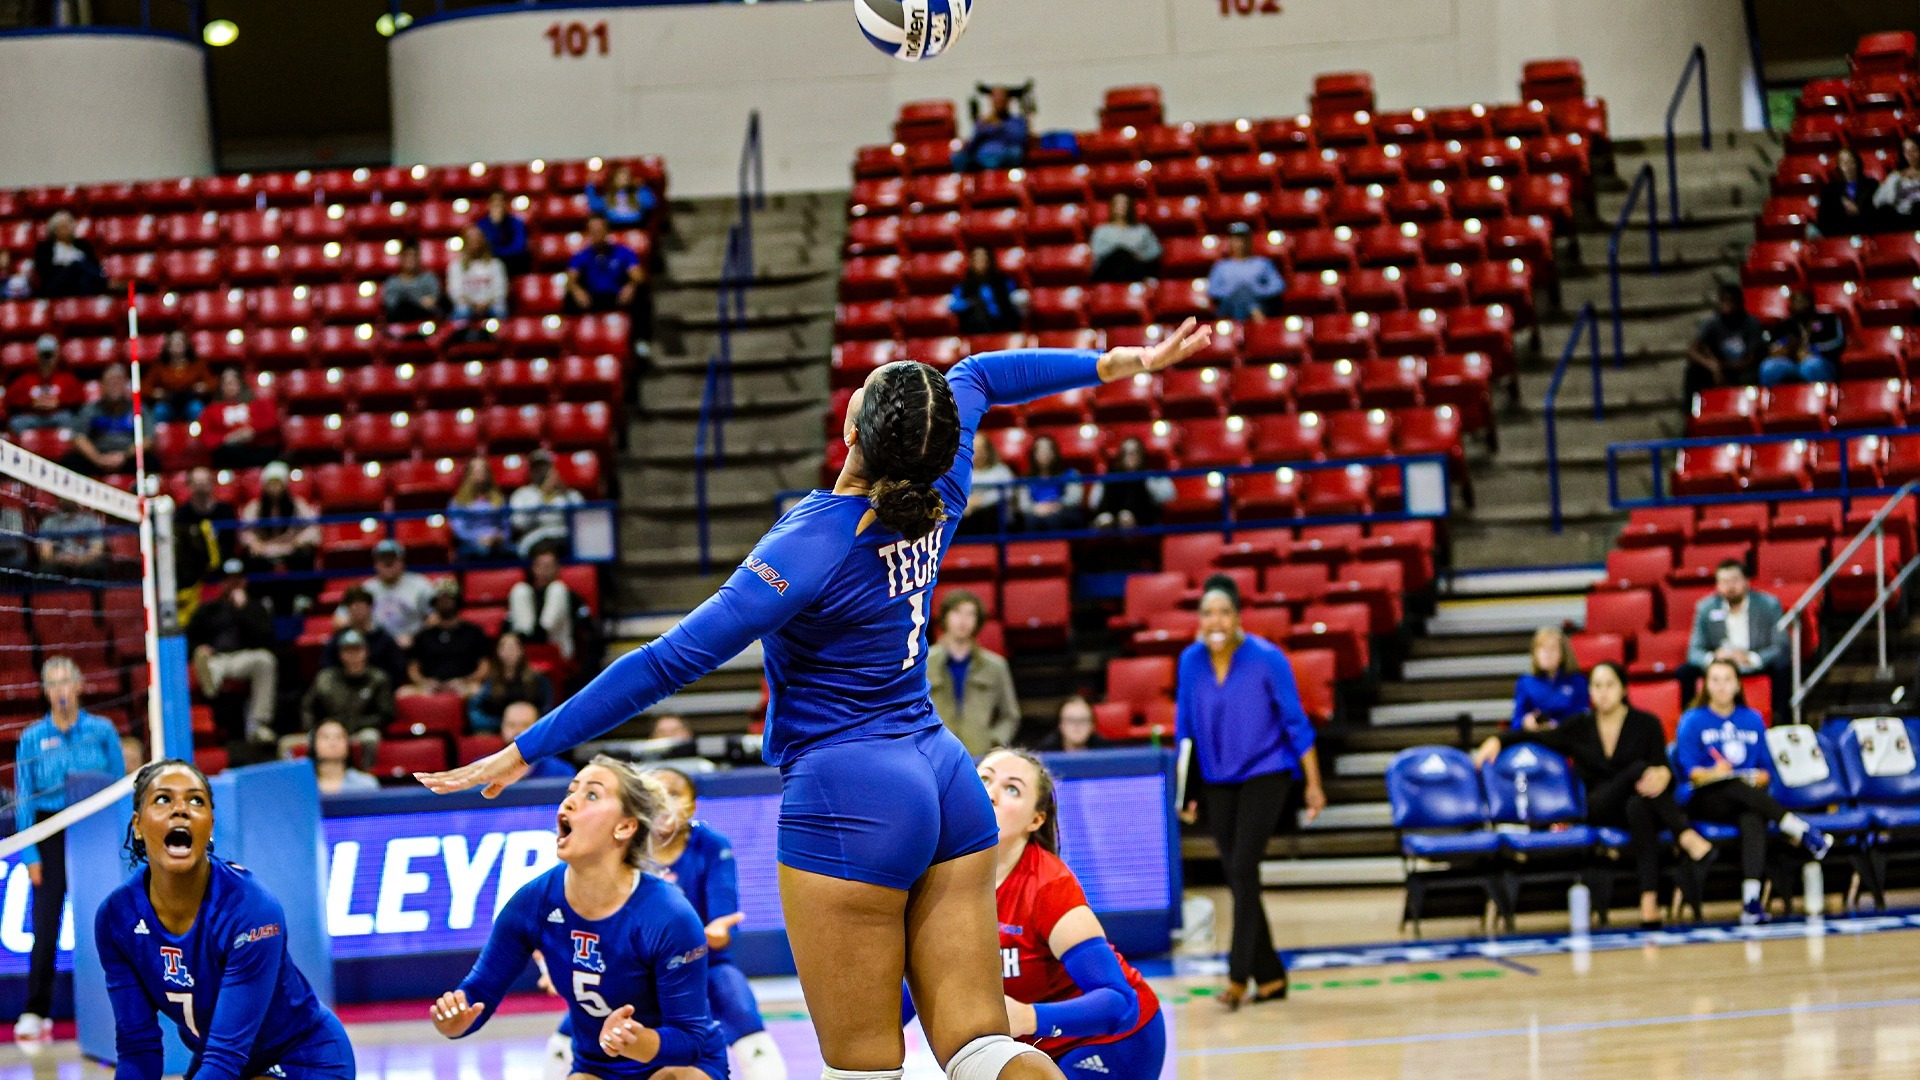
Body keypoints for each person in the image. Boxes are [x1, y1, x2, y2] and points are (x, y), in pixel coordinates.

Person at [419, 321, 1215, 1080]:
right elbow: (978, 377)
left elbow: (667, 661)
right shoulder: (941, 485)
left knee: (862, 1062)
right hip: (942, 772)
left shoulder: (812, 541)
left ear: (855, 431)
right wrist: (1122, 363)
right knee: (976, 1047)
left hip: (850, 790)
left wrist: (527, 746)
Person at [429, 758, 727, 1080]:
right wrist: (455, 1023)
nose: (570, 800)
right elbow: (477, 996)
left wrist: (636, 1042)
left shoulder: (668, 914)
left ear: (625, 826)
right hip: (596, 1068)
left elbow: (691, 1040)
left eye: (592, 795)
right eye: (571, 791)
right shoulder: (534, 902)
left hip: (678, 1064)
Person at [97, 760, 356, 1078]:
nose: (181, 809)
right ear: (137, 824)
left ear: (210, 825)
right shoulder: (116, 917)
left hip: (302, 1059)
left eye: (196, 801)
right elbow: (138, 1049)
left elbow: (224, 1059)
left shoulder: (251, 910)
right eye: (163, 799)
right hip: (223, 1063)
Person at [958, 750, 1165, 1074]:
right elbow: (916, 985)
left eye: (1012, 789)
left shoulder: (1047, 887)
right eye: (983, 779)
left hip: (1111, 1041)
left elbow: (1119, 1002)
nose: (991, 794)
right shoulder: (943, 876)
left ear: (1035, 820)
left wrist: (1028, 1017)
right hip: (1033, 1048)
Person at [1175, 573, 1324, 1009]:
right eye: (1207, 613)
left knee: (1242, 868)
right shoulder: (1190, 661)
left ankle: (1238, 978)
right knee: (1240, 876)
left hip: (1267, 771)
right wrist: (1187, 792)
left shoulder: (1267, 657)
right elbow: (1186, 728)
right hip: (1218, 778)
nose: (1215, 620)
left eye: (1223, 611)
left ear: (1238, 617)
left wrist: (1313, 783)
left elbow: (1296, 721)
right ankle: (1272, 976)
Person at [1474, 661, 1712, 928]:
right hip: (1601, 806)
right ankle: (1685, 834)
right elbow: (1538, 738)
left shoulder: (1646, 723)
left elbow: (1663, 770)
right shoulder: (1579, 726)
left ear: (1623, 688)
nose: (1603, 692)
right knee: (1638, 769)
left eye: (1609, 684)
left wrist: (1664, 776)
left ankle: (1649, 903)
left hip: (1638, 807)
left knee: (1638, 808)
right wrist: (1497, 740)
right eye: (1596, 686)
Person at [649, 768, 789, 1080]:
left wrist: (717, 933)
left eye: (673, 793)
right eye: (653, 795)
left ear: (693, 805)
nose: (664, 803)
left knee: (737, 1003)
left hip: (705, 961)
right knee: (575, 1031)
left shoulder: (711, 844)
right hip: (645, 972)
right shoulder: (624, 850)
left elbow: (723, 923)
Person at [11, 656, 124, 1043]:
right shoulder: (30, 737)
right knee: (45, 925)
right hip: (50, 830)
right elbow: (24, 798)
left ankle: (116, 1004)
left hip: (93, 829)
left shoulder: (102, 730)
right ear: (46, 691)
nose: (61, 690)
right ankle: (35, 1010)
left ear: (80, 686)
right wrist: (31, 855)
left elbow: (119, 787)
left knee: (107, 920)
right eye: (53, 684)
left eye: (67, 682)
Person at [1674, 659, 1833, 924]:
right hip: (1703, 799)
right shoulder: (1692, 720)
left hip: (1746, 798)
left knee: (1753, 816)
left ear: (1738, 684)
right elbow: (1691, 772)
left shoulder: (1752, 719)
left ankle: (1751, 901)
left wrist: (1759, 777)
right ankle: (1800, 830)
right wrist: (1716, 772)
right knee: (1735, 787)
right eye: (1715, 680)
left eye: (1727, 679)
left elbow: (1765, 769)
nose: (1721, 686)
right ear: (1705, 685)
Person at [187, 568, 280, 745]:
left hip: (242, 659)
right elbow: (189, 638)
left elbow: (265, 639)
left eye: (237, 581)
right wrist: (200, 647)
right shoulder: (208, 609)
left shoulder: (255, 608)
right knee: (204, 660)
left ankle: (258, 725)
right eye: (228, 581)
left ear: (244, 583)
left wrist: (244, 609)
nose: (232, 586)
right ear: (222, 584)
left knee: (265, 660)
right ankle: (211, 689)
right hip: (215, 659)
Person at [927, 589, 1022, 757]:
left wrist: (993, 741)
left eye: (970, 614)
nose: (963, 620)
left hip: (979, 756)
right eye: (957, 612)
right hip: (935, 754)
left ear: (977, 621)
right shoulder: (925, 663)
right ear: (945, 617)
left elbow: (1010, 715)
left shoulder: (995, 667)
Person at [1685, 559, 1788, 708]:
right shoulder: (1705, 608)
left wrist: (1750, 658)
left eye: (1734, 580)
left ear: (1747, 581)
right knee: (1686, 672)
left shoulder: (1769, 605)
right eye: (1724, 582)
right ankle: (1691, 719)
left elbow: (1780, 646)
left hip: (1755, 662)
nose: (1730, 587)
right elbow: (1694, 652)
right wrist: (1715, 659)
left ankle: (1781, 720)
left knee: (1782, 666)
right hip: (1721, 664)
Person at [294, 630, 393, 763]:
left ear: (366, 651)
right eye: (348, 651)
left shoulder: (378, 679)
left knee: (370, 738)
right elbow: (307, 706)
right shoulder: (325, 678)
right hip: (328, 730)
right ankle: (308, 779)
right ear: (341, 654)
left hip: (360, 730)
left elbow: (385, 714)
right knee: (286, 744)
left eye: (357, 650)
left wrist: (352, 725)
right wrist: (315, 729)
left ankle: (366, 778)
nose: (353, 656)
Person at [237, 461, 320, 605]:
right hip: (264, 551)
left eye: (278, 483)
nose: (274, 488)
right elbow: (244, 532)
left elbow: (314, 529)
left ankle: (302, 597)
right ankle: (262, 599)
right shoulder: (254, 507)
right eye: (271, 483)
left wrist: (299, 541)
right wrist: (255, 543)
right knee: (252, 561)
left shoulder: (297, 505)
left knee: (305, 557)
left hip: (291, 549)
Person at [566, 214, 650, 346]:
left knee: (641, 294)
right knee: (569, 298)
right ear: (587, 234)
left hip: (618, 297)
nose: (597, 235)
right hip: (592, 298)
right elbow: (570, 279)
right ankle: (574, 343)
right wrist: (577, 290)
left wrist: (631, 285)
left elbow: (638, 275)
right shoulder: (580, 256)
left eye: (600, 231)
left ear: (607, 232)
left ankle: (640, 342)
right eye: (593, 232)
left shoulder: (624, 252)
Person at [405, 579, 491, 698]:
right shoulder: (423, 635)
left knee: (477, 691)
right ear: (434, 603)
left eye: (449, 598)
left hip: (466, 685)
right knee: (402, 693)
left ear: (457, 600)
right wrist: (424, 682)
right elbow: (413, 668)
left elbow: (484, 667)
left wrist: (465, 681)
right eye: (440, 599)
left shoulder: (474, 632)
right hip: (429, 687)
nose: (444, 602)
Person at [1685, 284, 1767, 403]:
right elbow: (1692, 350)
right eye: (1724, 300)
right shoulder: (1712, 324)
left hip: (1743, 369)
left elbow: (1751, 359)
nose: (1727, 305)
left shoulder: (1752, 324)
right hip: (1718, 367)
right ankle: (1692, 412)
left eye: (1731, 301)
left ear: (1740, 303)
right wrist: (1713, 367)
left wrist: (1722, 367)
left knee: (1751, 376)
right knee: (1693, 372)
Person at [350, 540, 437, 648]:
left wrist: (414, 637)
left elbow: (436, 617)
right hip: (375, 647)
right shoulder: (366, 589)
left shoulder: (420, 585)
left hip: (413, 645)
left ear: (402, 561)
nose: (388, 564)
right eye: (383, 559)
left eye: (392, 559)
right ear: (375, 563)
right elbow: (341, 619)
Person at [66, 363, 146, 477]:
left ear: (125, 384)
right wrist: (98, 459)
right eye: (110, 382)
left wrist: (125, 456)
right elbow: (78, 437)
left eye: (118, 382)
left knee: (150, 461)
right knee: (71, 461)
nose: (114, 386)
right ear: (102, 385)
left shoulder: (138, 409)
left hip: (128, 458)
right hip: (96, 457)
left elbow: (148, 440)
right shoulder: (90, 409)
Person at [468, 630, 553, 734]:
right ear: (498, 652)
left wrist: (528, 723)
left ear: (521, 650)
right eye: (505, 648)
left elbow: (549, 709)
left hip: (531, 729)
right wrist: (504, 724)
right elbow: (475, 713)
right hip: (498, 729)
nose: (509, 652)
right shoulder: (489, 682)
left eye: (513, 647)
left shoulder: (538, 679)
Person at [509, 542, 582, 662]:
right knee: (520, 590)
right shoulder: (525, 592)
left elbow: (582, 624)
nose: (545, 571)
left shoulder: (568, 593)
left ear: (557, 568)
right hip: (525, 649)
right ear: (533, 568)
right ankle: (528, 636)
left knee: (557, 589)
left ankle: (542, 631)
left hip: (558, 648)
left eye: (550, 566)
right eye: (541, 566)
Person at [198, 368, 281, 471]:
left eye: (233, 382)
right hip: (228, 453)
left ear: (241, 384)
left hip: (256, 448)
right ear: (221, 387)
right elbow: (206, 436)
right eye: (227, 383)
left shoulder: (258, 404)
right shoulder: (211, 410)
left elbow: (273, 421)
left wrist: (252, 431)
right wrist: (227, 438)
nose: (230, 387)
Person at [509, 449, 586, 556]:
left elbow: (582, 520)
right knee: (545, 552)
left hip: (564, 537)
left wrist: (564, 492)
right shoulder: (522, 495)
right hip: (536, 538)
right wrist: (543, 494)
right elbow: (519, 523)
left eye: (544, 467)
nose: (541, 471)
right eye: (536, 468)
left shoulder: (570, 494)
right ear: (530, 471)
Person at [325, 586, 409, 684]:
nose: (358, 611)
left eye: (362, 606)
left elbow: (398, 669)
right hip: (343, 689)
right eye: (354, 606)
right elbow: (326, 666)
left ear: (371, 608)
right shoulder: (339, 638)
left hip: (378, 689)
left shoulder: (383, 638)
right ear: (348, 609)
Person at [1087, 436, 1172, 530]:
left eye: (1135, 452)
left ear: (1142, 455)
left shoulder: (1152, 476)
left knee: (1126, 518)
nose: (1131, 457)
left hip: (1145, 522)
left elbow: (1169, 497)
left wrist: (1149, 483)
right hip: (1111, 521)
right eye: (1126, 453)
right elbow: (1093, 503)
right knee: (1105, 519)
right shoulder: (1109, 477)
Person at [1760, 290, 1843, 386]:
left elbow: (1838, 343)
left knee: (1811, 366)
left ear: (1811, 301)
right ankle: (1775, 400)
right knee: (1769, 367)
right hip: (1791, 361)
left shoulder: (1828, 320)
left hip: (1821, 360)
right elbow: (1772, 346)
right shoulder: (1785, 325)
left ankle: (1822, 399)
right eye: (1795, 300)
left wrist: (1812, 350)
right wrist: (1781, 350)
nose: (1799, 304)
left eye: (1802, 300)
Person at [1511, 626, 1586, 731]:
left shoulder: (1578, 681)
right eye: (1542, 649)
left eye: (1552, 648)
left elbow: (1582, 720)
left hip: (1567, 739)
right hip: (1534, 738)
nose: (1547, 654)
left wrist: (1556, 725)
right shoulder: (1525, 683)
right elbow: (1516, 722)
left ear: (1563, 653)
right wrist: (1526, 722)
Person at [175, 466, 237, 591]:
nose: (201, 487)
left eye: (204, 482)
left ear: (212, 484)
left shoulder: (225, 512)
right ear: (189, 485)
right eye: (197, 483)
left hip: (223, 567)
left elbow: (231, 544)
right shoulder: (182, 515)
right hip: (191, 573)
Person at [1206, 223, 1284, 322]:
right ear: (1230, 242)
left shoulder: (1263, 263)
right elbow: (1213, 290)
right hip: (1230, 311)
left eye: (1243, 239)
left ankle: (1259, 326)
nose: (1240, 243)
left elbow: (1278, 286)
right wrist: (1233, 291)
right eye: (1236, 239)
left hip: (1258, 307)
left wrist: (1257, 290)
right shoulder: (1221, 266)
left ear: (1249, 241)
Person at [7, 334, 82, 433]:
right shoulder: (25, 379)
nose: (46, 359)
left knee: (70, 420)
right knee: (16, 423)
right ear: (37, 355)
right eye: (43, 355)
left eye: (50, 355)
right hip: (32, 417)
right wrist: (30, 403)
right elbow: (10, 399)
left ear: (57, 355)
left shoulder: (67, 378)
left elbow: (79, 400)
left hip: (57, 416)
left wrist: (59, 402)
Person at [952, 85, 1029, 173]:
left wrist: (1000, 126)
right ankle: (965, 185)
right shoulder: (983, 121)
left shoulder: (1017, 121)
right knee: (959, 157)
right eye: (996, 99)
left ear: (1008, 101)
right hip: (981, 158)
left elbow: (1021, 140)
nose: (999, 102)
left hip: (1004, 156)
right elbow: (972, 146)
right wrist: (981, 129)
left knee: (1016, 152)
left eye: (1001, 99)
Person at [449, 456, 513, 561]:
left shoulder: (499, 499)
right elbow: (459, 530)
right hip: (471, 545)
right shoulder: (458, 501)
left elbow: (506, 527)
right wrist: (479, 538)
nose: (480, 473)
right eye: (476, 470)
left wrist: (498, 537)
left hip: (497, 543)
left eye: (483, 470)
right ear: (468, 474)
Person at [950, 246, 1025, 336]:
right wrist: (971, 303)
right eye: (977, 259)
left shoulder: (1004, 281)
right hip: (974, 333)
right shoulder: (963, 286)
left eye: (984, 258)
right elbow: (954, 305)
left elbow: (1016, 302)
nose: (981, 262)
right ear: (971, 262)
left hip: (1004, 330)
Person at [1089, 193, 1162, 284]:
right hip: (1109, 273)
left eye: (1125, 203)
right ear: (1111, 206)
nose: (1121, 207)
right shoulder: (1101, 231)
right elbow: (1098, 254)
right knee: (1120, 254)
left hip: (1135, 271)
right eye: (1118, 203)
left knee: (1124, 256)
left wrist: (1134, 256)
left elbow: (1155, 252)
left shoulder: (1143, 230)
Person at [30, 210, 106, 298]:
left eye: (68, 226)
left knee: (83, 276)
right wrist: (69, 268)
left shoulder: (83, 245)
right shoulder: (44, 248)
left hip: (81, 284)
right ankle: (105, 282)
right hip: (56, 284)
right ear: (54, 230)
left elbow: (94, 264)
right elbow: (44, 270)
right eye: (62, 227)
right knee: (77, 265)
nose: (65, 230)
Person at [448, 225, 510, 331]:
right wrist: (473, 304)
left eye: (477, 239)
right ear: (465, 242)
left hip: (491, 304)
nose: (475, 244)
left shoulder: (496, 265)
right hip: (467, 305)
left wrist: (486, 304)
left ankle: (503, 340)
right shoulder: (456, 266)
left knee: (500, 308)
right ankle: (459, 340)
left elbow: (501, 291)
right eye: (471, 240)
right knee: (462, 310)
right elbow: (456, 293)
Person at [1015, 434, 1081, 532]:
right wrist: (1035, 509)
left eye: (1048, 450)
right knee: (1031, 520)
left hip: (1063, 511)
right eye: (1040, 450)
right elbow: (1023, 505)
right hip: (1035, 513)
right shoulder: (1026, 479)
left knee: (1053, 519)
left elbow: (1074, 498)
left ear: (1055, 452)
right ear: (1033, 454)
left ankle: (1060, 546)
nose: (1044, 453)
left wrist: (1056, 506)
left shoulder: (1070, 474)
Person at [150, 330, 213, 425]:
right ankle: (159, 439)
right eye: (174, 342)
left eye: (180, 341)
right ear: (167, 346)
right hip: (168, 403)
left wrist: (203, 387)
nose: (177, 344)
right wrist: (154, 392)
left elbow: (212, 382)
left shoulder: (197, 364)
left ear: (187, 345)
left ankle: (199, 438)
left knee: (197, 408)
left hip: (190, 401)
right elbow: (145, 386)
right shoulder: (159, 366)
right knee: (159, 411)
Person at [503, 701, 575, 780]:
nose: (517, 731)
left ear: (538, 729)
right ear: (502, 727)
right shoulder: (487, 769)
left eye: (525, 725)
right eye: (511, 725)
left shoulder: (561, 773)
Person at [1817, 147, 1879, 237]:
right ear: (1839, 166)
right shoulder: (1829, 191)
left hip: (1865, 234)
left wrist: (1858, 212)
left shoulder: (1871, 185)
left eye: (1851, 161)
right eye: (1844, 162)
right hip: (1839, 237)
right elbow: (1824, 221)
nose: (1848, 166)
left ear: (1857, 163)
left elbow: (1876, 217)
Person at [309, 718, 381, 795]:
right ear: (314, 745)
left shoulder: (367, 785)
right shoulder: (301, 785)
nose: (333, 743)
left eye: (339, 737)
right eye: (325, 737)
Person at [960, 439, 1015, 536]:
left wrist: (981, 501)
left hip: (994, 516)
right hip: (967, 515)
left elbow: (1008, 492)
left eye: (981, 449)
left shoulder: (1001, 471)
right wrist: (968, 503)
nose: (978, 453)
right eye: (974, 449)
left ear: (988, 451)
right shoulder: (962, 472)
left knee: (991, 512)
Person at [38, 499, 108, 574]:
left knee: (97, 568)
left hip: (85, 563)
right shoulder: (49, 522)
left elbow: (97, 550)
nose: (68, 500)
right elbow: (45, 554)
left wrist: (80, 559)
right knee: (45, 570)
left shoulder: (91, 521)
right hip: (58, 565)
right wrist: (60, 559)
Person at [382, 240, 442, 323]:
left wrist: (408, 298)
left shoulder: (429, 278)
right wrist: (418, 301)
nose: (411, 259)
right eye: (407, 256)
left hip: (424, 321)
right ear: (401, 258)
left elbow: (431, 302)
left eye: (414, 255)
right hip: (399, 322)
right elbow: (391, 305)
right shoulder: (392, 282)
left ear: (419, 257)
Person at [476, 189, 532, 277]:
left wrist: (495, 252)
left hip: (511, 265)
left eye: (501, 202)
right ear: (489, 205)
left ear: (506, 205)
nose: (498, 206)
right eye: (495, 203)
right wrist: (495, 225)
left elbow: (519, 247)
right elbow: (479, 248)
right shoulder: (481, 225)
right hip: (487, 266)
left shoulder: (517, 223)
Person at [586, 163, 658, 229]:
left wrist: (642, 187)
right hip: (615, 228)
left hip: (636, 227)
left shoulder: (638, 195)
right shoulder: (608, 198)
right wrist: (590, 185)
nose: (624, 179)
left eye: (626, 177)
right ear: (613, 180)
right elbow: (594, 206)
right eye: (620, 177)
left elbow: (650, 203)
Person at [1873, 136, 1920, 231]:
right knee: (1886, 211)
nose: (1910, 155)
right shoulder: (1895, 176)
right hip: (1899, 217)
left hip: (1918, 214)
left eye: (1914, 150)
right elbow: (1877, 201)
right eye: (1906, 151)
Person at [1033, 696, 1108, 753]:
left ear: (1092, 726)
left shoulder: (1106, 751)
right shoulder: (1043, 752)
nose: (1077, 726)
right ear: (1060, 725)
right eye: (1070, 720)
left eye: (1083, 720)